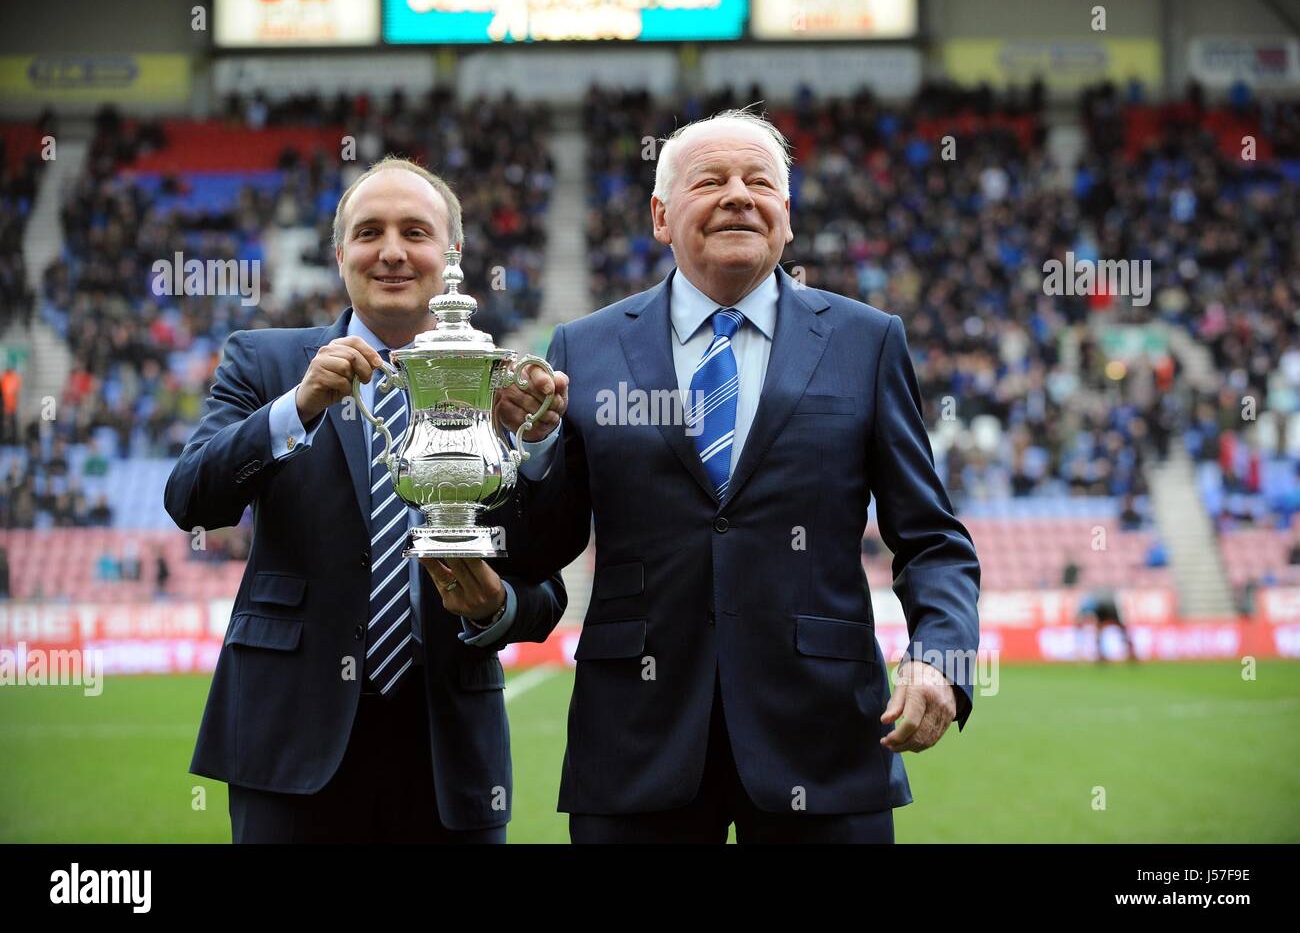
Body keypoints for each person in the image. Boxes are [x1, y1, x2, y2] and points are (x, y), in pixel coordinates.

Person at [499, 110, 981, 843]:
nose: (738, 195)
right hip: (636, 743)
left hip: (825, 743)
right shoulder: (584, 348)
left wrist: (939, 659)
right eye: (711, 180)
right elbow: (539, 548)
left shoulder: (867, 342)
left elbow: (934, 540)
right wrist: (535, 446)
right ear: (661, 216)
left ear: (786, 216)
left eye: (760, 182)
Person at [164, 156, 566, 843]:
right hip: (289, 744)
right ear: (340, 254)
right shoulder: (264, 363)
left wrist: (494, 607)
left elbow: (544, 592)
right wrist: (299, 407)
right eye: (369, 232)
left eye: (415, 232)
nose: (391, 252)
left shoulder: (503, 384)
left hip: (448, 756)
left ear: (452, 256)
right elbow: (192, 497)